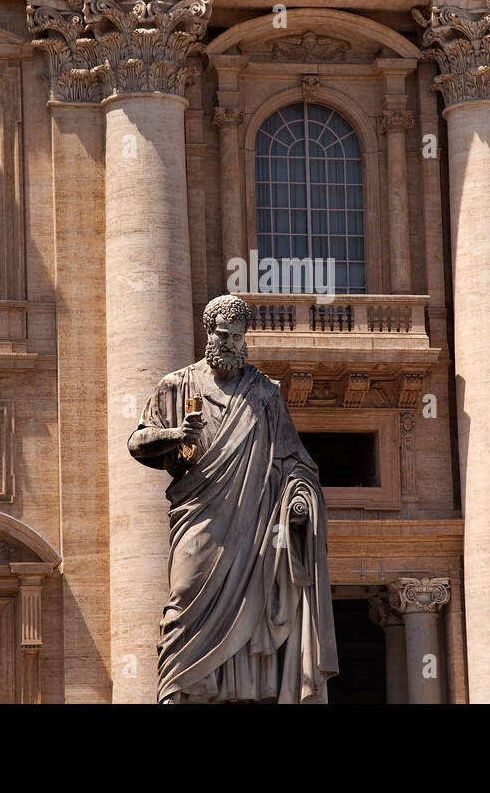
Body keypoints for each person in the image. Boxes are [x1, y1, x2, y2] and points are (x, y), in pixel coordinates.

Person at [127, 294, 338, 703]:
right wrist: (176, 436)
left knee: (252, 602)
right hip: (199, 513)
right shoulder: (177, 385)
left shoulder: (265, 394)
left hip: (254, 519)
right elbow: (137, 442)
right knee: (185, 595)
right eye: (223, 336)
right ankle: (177, 690)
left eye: (237, 338)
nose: (230, 344)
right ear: (209, 332)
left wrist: (299, 498)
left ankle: (236, 692)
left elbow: (295, 460)